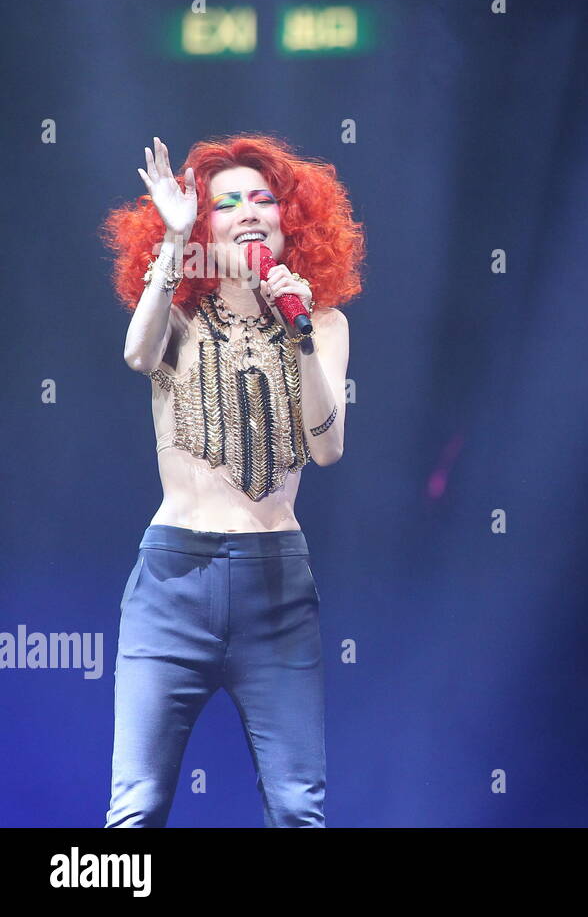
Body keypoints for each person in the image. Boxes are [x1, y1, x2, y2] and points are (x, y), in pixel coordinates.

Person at [100, 134, 364, 826]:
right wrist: (173, 239)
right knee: (137, 805)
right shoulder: (177, 314)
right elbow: (137, 355)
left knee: (298, 808)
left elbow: (328, 448)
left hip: (276, 587)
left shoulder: (324, 322)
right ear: (203, 226)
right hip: (173, 584)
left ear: (291, 218)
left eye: (263, 199)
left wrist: (299, 333)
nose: (248, 211)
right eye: (227, 203)